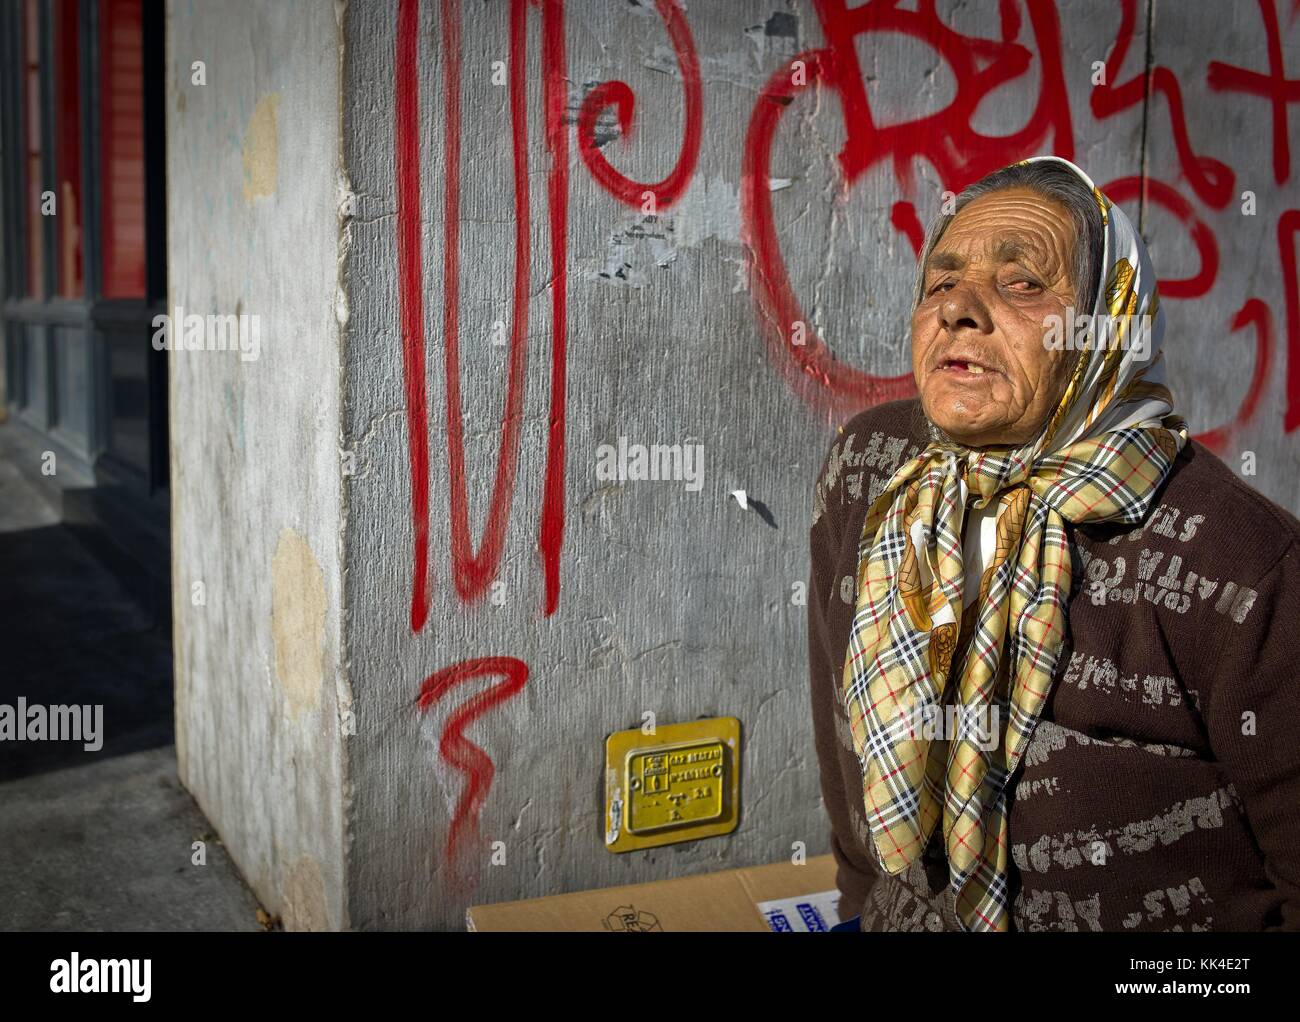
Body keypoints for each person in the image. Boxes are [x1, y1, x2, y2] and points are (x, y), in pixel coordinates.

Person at [809, 156, 1300, 932]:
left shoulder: (1237, 558)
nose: (958, 311)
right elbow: (847, 766)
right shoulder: (874, 471)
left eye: (1023, 284)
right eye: (940, 283)